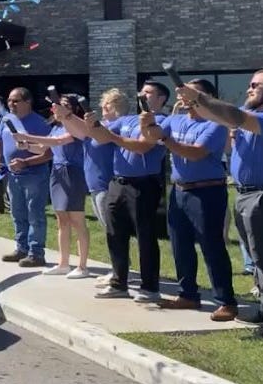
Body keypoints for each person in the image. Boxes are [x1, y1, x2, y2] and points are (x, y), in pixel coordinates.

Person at [176, 69, 263, 339]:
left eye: (257, 85)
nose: (250, 88)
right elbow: (221, 116)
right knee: (256, 257)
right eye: (250, 84)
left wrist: (200, 99)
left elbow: (236, 117)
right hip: (244, 193)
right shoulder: (247, 113)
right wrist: (194, 102)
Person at [140, 78, 237, 321]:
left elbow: (195, 153)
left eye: (190, 92)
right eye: (182, 92)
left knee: (211, 246)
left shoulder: (215, 125)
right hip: (180, 190)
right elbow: (153, 138)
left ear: (205, 98)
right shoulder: (176, 119)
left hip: (207, 192)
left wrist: (164, 138)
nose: (183, 96)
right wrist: (148, 125)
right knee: (179, 244)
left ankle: (226, 301)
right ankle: (188, 294)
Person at [58, 93, 167, 303]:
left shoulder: (159, 121)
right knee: (114, 234)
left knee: (145, 237)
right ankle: (119, 283)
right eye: (142, 94)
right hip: (118, 182)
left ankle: (150, 288)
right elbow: (100, 138)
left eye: (150, 94)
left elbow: (144, 145)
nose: (143, 97)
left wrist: (112, 137)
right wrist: (91, 124)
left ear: (161, 100)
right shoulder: (124, 122)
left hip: (144, 183)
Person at [12, 94, 91, 279]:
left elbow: (58, 142)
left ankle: (82, 266)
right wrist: (26, 145)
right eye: (55, 106)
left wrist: (26, 136)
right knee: (62, 219)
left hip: (73, 172)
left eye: (62, 106)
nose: (55, 109)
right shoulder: (55, 127)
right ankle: (63, 263)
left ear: (72, 109)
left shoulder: (76, 126)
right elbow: (43, 148)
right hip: (56, 172)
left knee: (77, 220)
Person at [0, 87, 53, 268]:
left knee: (35, 215)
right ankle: (21, 248)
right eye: (9, 100)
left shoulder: (40, 123)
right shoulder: (7, 119)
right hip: (12, 176)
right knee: (17, 213)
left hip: (34, 175)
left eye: (15, 100)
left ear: (28, 102)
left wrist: (26, 163)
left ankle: (36, 253)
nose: (11, 104)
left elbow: (49, 153)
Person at [83, 89, 126, 288]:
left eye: (108, 104)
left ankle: (118, 271)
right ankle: (116, 269)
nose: (103, 108)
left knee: (113, 231)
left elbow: (102, 137)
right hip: (94, 185)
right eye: (103, 104)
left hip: (105, 184)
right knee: (107, 229)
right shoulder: (100, 126)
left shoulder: (115, 126)